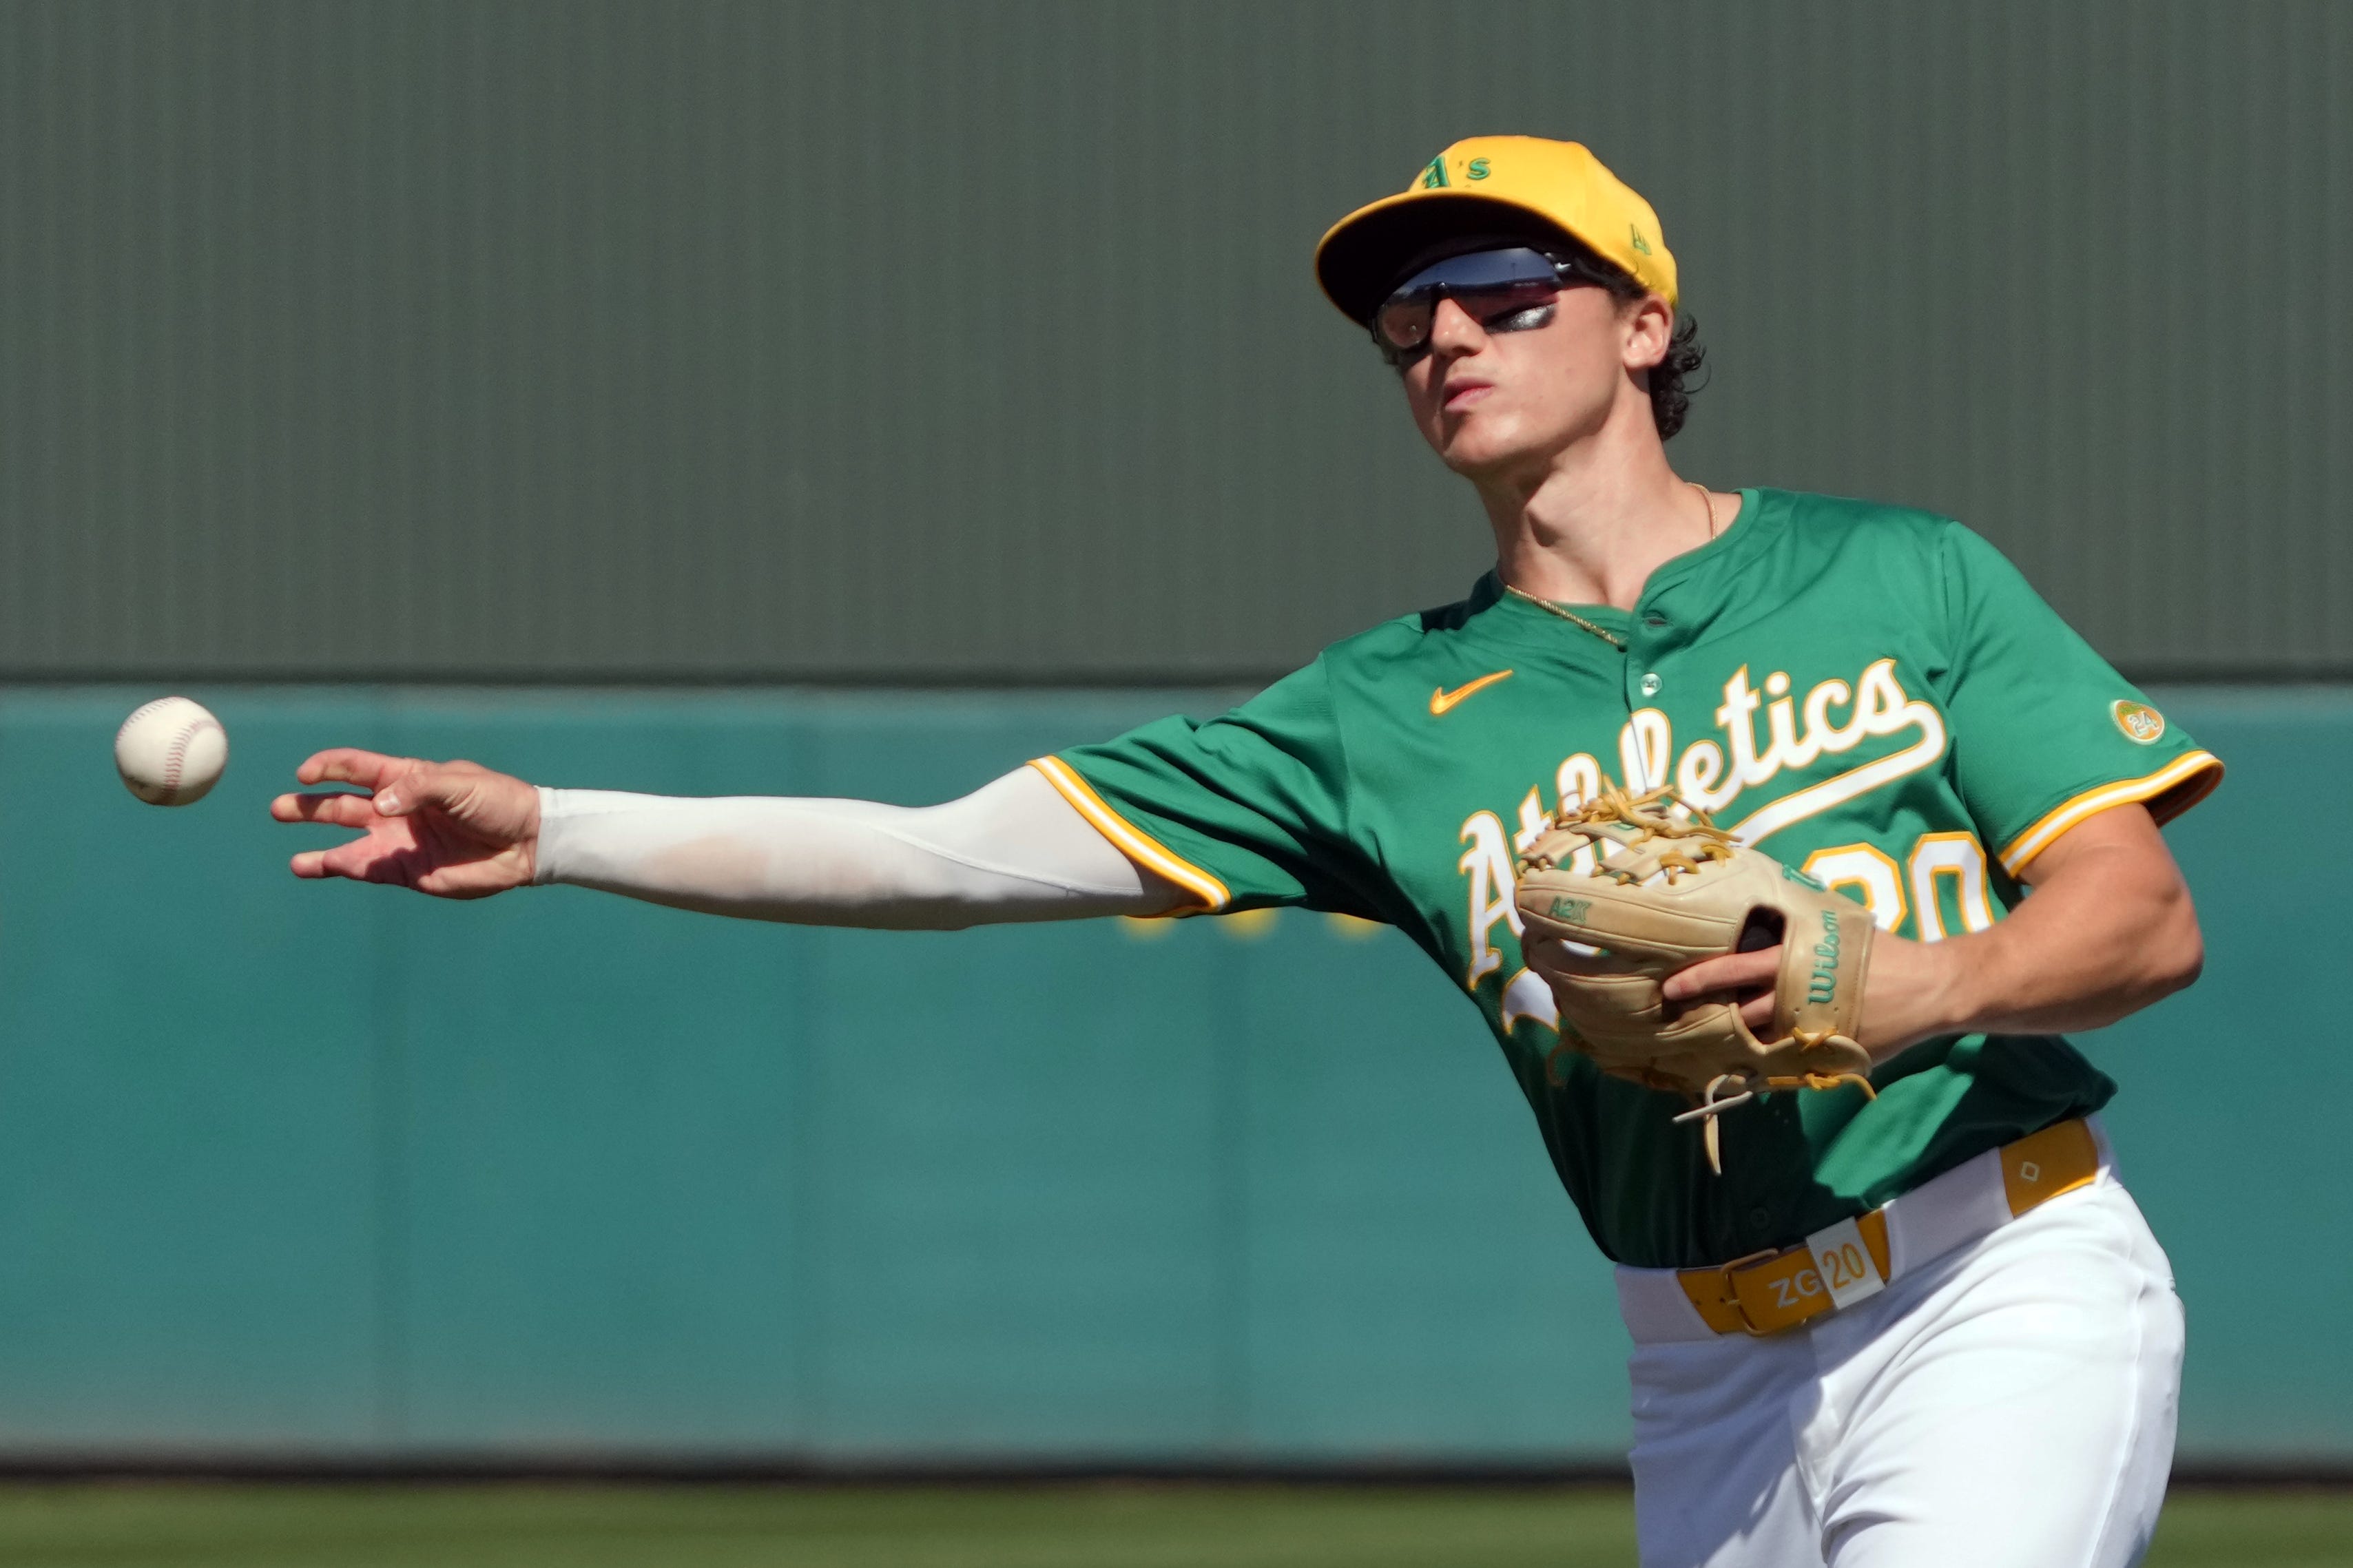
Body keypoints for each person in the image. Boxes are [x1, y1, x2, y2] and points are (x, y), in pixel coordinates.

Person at [275, 136, 2219, 1567]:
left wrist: (1912, 984)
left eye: (1507, 291)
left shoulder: (1898, 575)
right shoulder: (1377, 716)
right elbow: (947, 855)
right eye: (1409, 314)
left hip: (1997, 1273)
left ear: (1642, 324)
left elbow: (2140, 914)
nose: (1446, 331)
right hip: (1702, 1371)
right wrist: (557, 828)